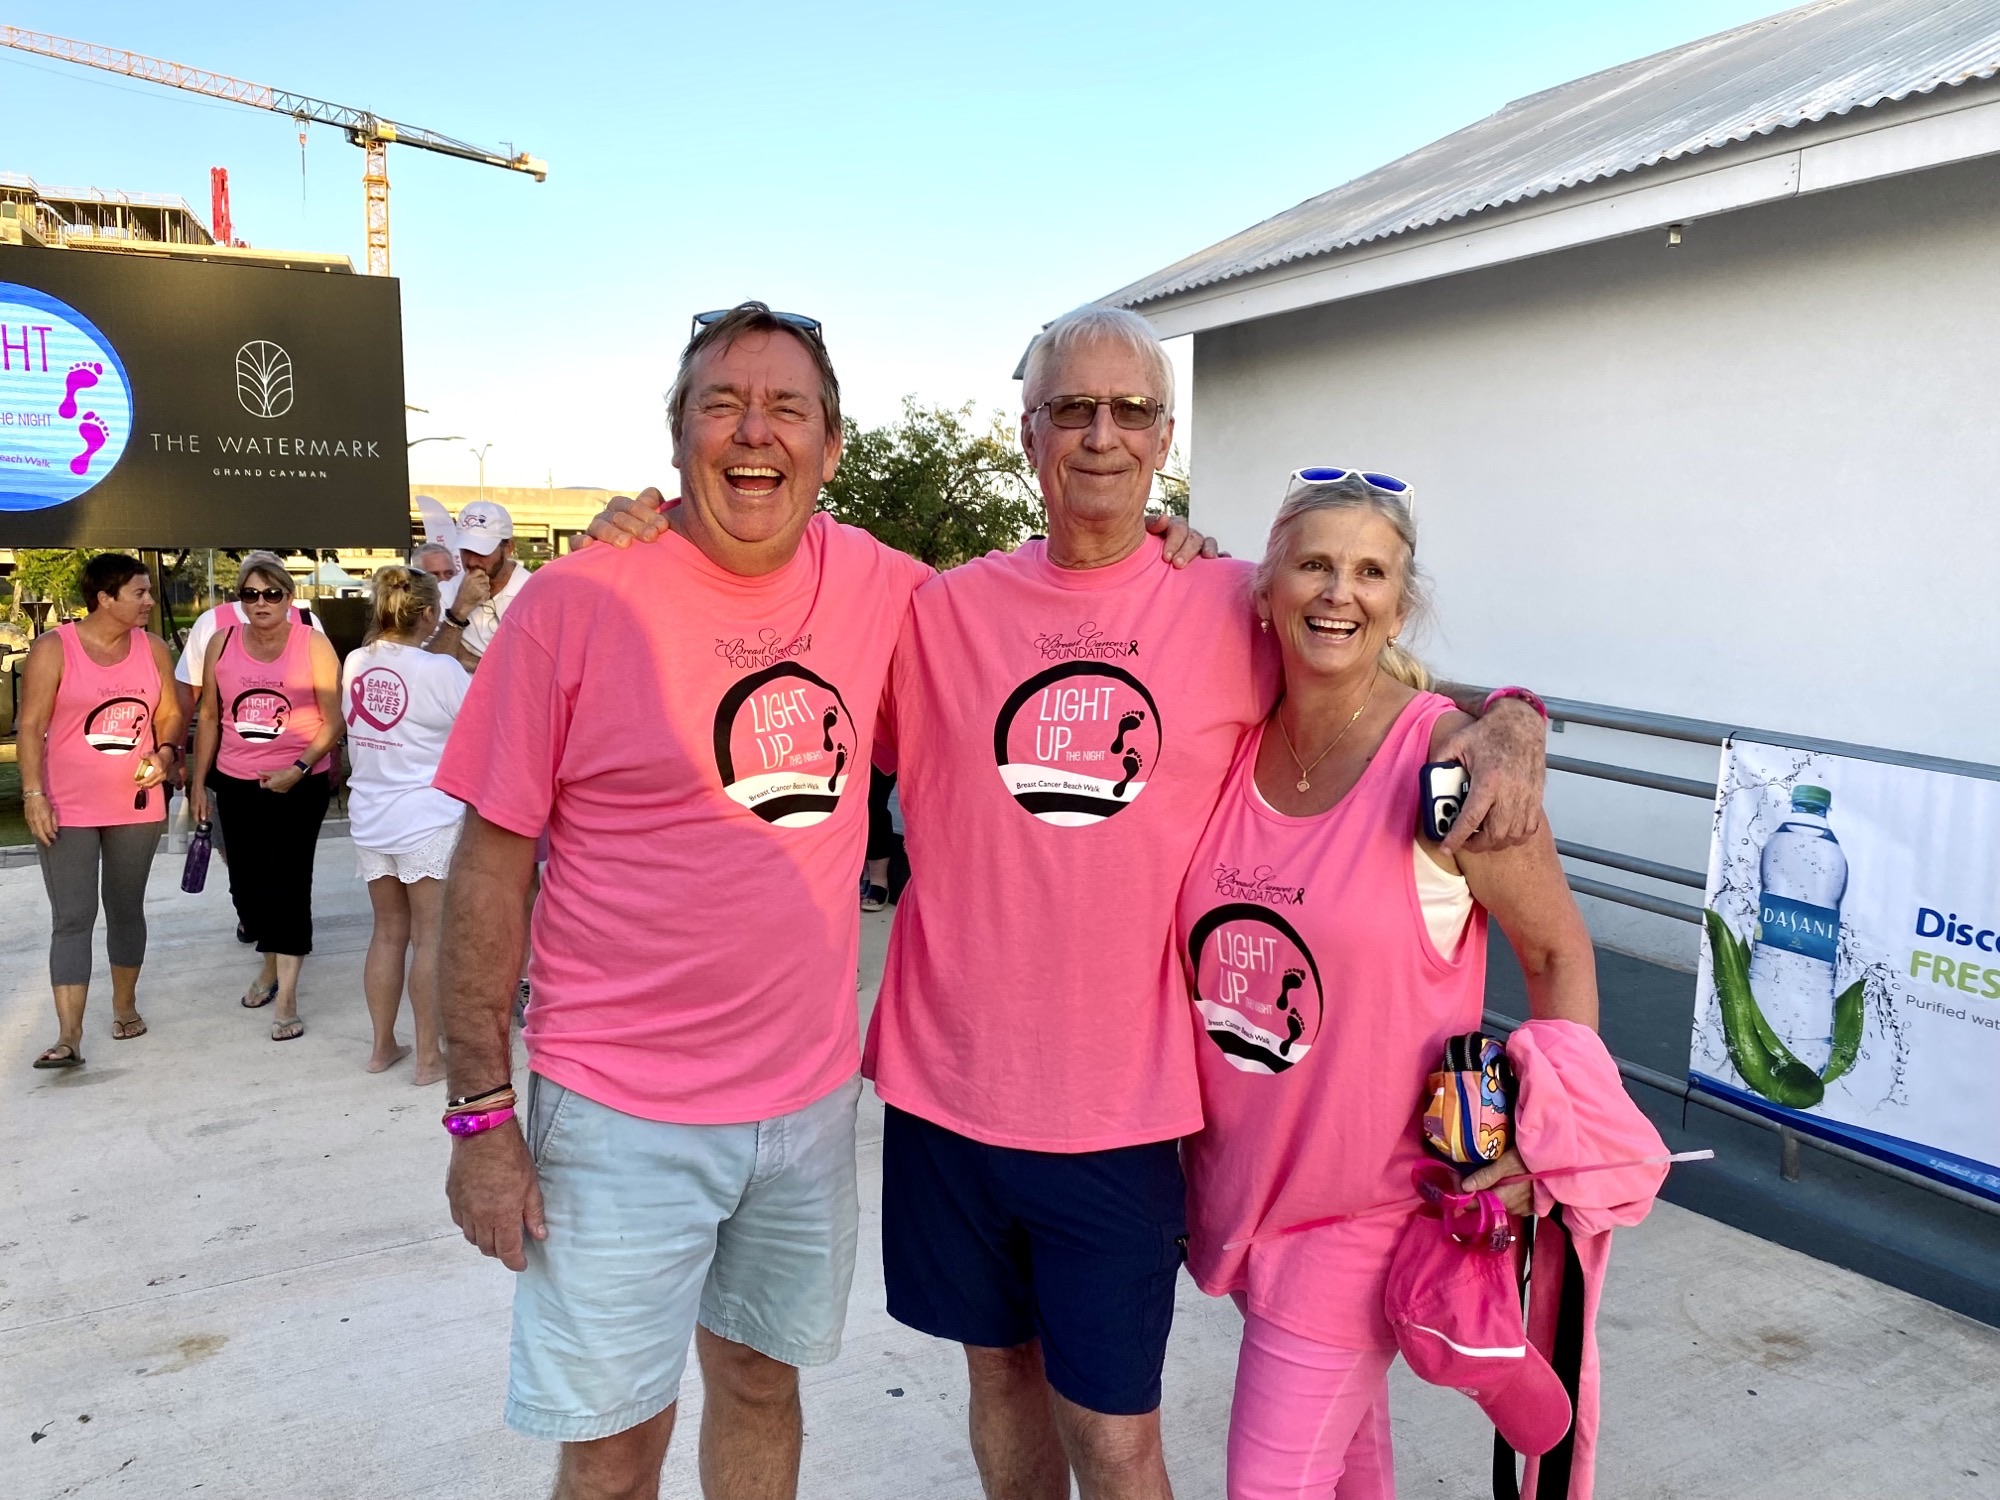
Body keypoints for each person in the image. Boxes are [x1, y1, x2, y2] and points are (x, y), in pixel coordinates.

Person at [588, 305, 1547, 1500]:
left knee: (1114, 1436)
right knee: (999, 1389)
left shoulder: (1229, 600)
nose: (1100, 434)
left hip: (1123, 1113)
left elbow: (1371, 664)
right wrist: (652, 536)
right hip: (947, 1099)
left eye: (1129, 411)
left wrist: (1509, 716)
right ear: (1026, 431)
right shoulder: (934, 609)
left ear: (1162, 438)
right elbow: (764, 617)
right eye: (1071, 410)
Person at [1173, 472, 1597, 1499]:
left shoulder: (1450, 766)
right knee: (1351, 1456)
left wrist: (1552, 1141)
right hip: (1239, 1183)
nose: (1337, 593)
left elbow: (1555, 954)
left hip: (1361, 1204)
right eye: (1314, 564)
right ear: (1264, 586)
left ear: (1398, 604)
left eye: (1369, 572)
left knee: (1267, 1484)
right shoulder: (1233, 737)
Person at [16, 553, 181, 1068]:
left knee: (125, 908)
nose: (149, 602)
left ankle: (125, 1005)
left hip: (135, 803)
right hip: (67, 806)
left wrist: (166, 752)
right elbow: (29, 726)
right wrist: (33, 794)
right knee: (73, 916)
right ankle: (69, 1037)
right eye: (139, 593)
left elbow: (171, 712)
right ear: (105, 598)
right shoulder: (53, 648)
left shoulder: (152, 648)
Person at [189, 558, 343, 1042]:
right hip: (236, 781)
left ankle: (287, 996)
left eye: (272, 594)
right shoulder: (223, 641)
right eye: (251, 595)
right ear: (240, 600)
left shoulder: (312, 643)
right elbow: (210, 716)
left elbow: (334, 720)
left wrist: (297, 770)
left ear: (288, 598)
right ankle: (269, 962)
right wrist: (199, 783)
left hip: (300, 781)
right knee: (249, 889)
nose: (261, 604)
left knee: (290, 883)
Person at [342, 564, 471, 1085]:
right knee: (431, 936)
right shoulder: (440, 671)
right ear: (427, 614)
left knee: (388, 933)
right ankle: (428, 1058)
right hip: (427, 816)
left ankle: (380, 1047)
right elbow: (484, 725)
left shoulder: (355, 661)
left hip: (370, 814)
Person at [429, 500, 528, 671]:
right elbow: (432, 662)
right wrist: (458, 612)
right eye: (466, 551)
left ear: (508, 548)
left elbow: (532, 667)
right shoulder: (445, 592)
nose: (472, 561)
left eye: (482, 552)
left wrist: (463, 656)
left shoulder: (533, 593)